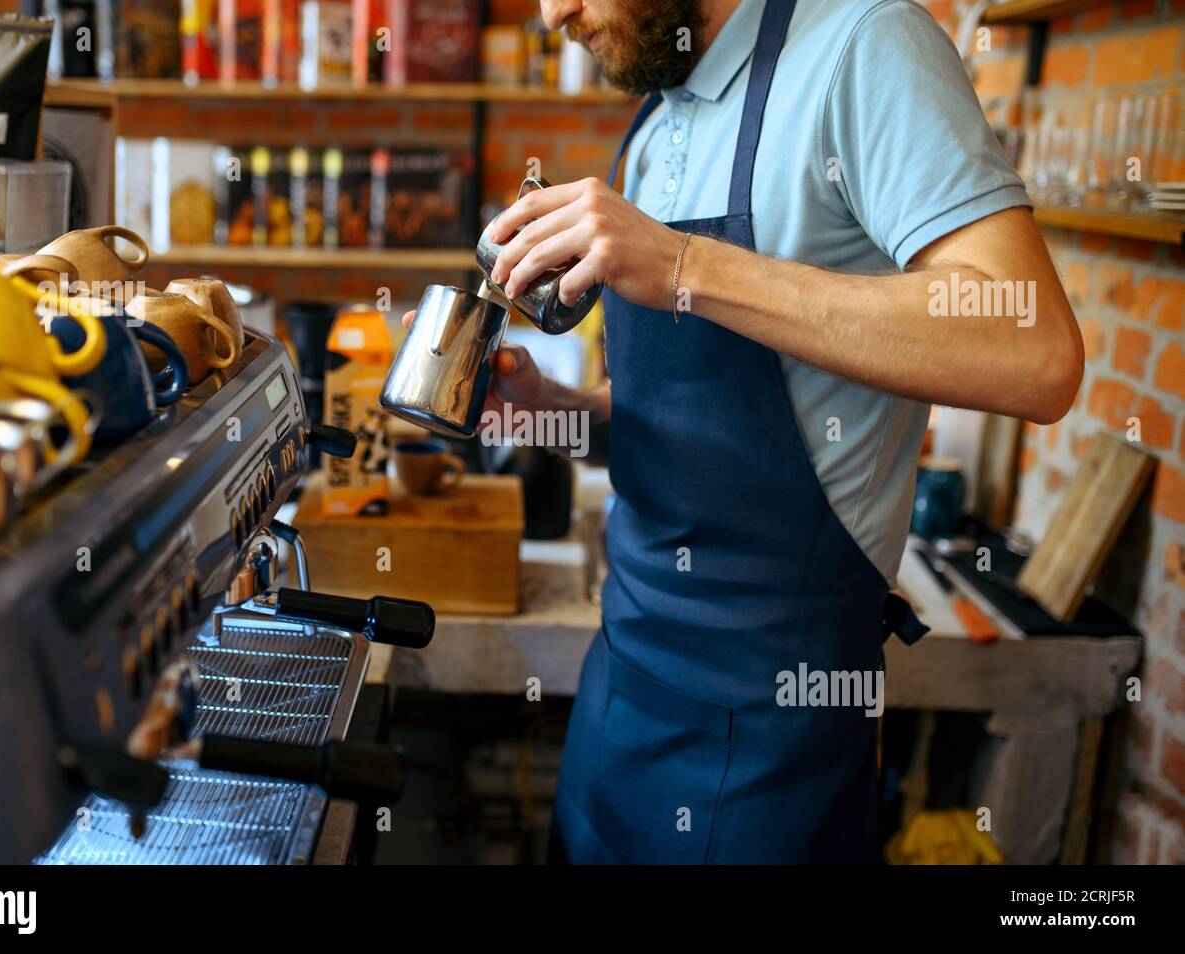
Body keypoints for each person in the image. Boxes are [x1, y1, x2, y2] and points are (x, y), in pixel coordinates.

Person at [410, 0, 1082, 863]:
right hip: (618, 702)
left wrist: (686, 265)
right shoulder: (655, 122)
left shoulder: (864, 45)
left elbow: (1036, 350)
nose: (552, 15)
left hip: (776, 742)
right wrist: (552, 412)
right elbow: (680, 428)